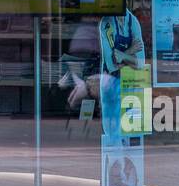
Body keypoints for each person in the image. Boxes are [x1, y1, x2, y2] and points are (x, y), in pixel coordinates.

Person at [59, 8, 145, 140]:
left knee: (122, 126)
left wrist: (121, 56)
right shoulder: (97, 28)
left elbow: (139, 64)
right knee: (113, 123)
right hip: (103, 80)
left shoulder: (130, 22)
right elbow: (112, 64)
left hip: (117, 84)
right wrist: (129, 52)